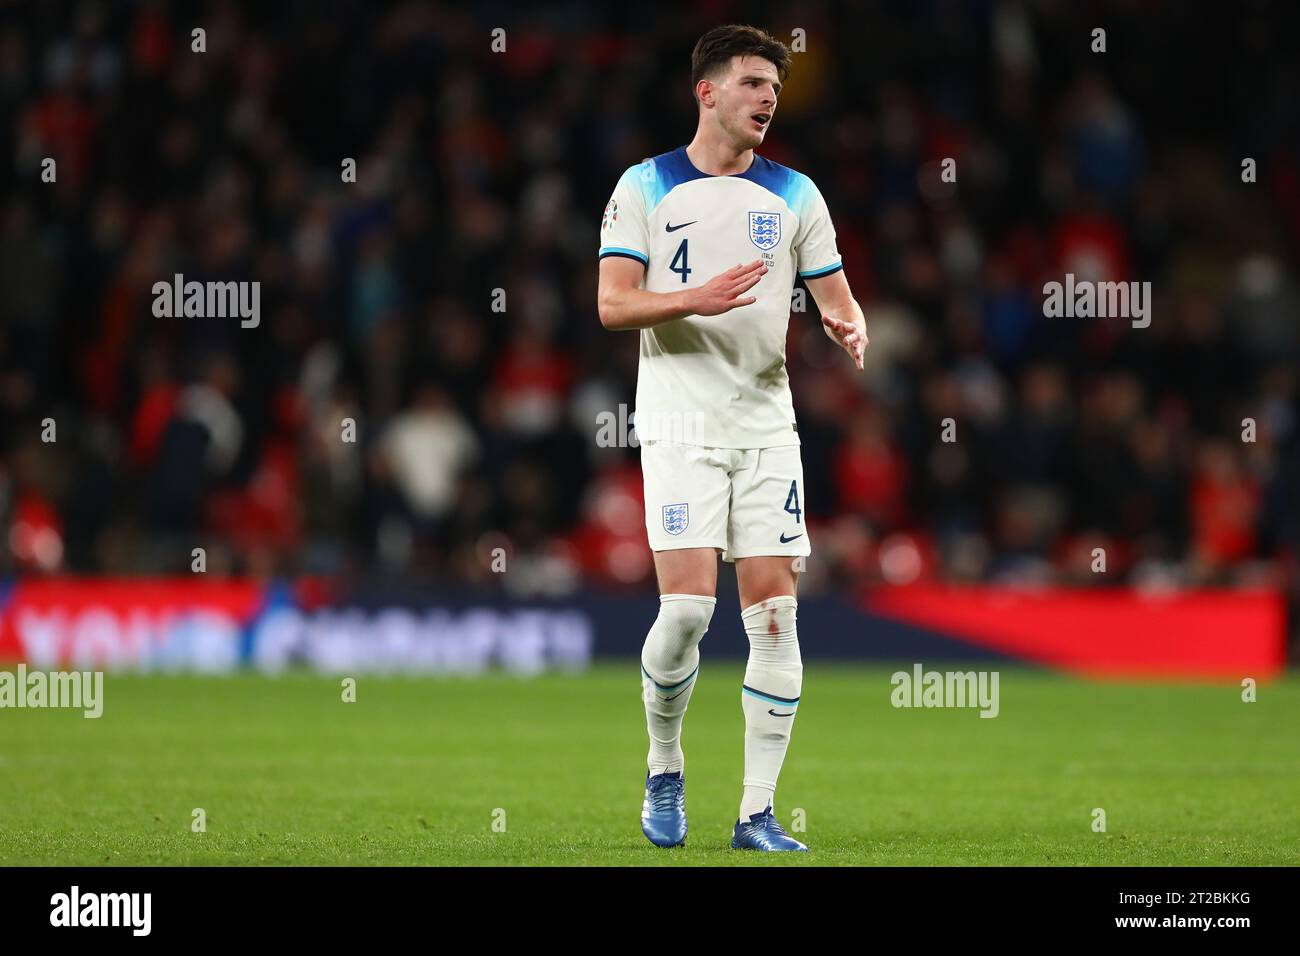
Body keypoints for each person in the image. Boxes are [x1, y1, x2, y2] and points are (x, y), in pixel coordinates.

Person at [596, 24, 868, 852]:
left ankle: (756, 813)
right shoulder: (645, 185)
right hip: (679, 424)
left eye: (775, 89)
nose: (768, 100)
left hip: (766, 427)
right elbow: (613, 303)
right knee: (684, 615)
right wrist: (694, 298)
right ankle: (664, 765)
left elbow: (838, 294)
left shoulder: (795, 195)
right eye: (753, 84)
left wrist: (845, 321)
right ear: (706, 91)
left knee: (777, 621)